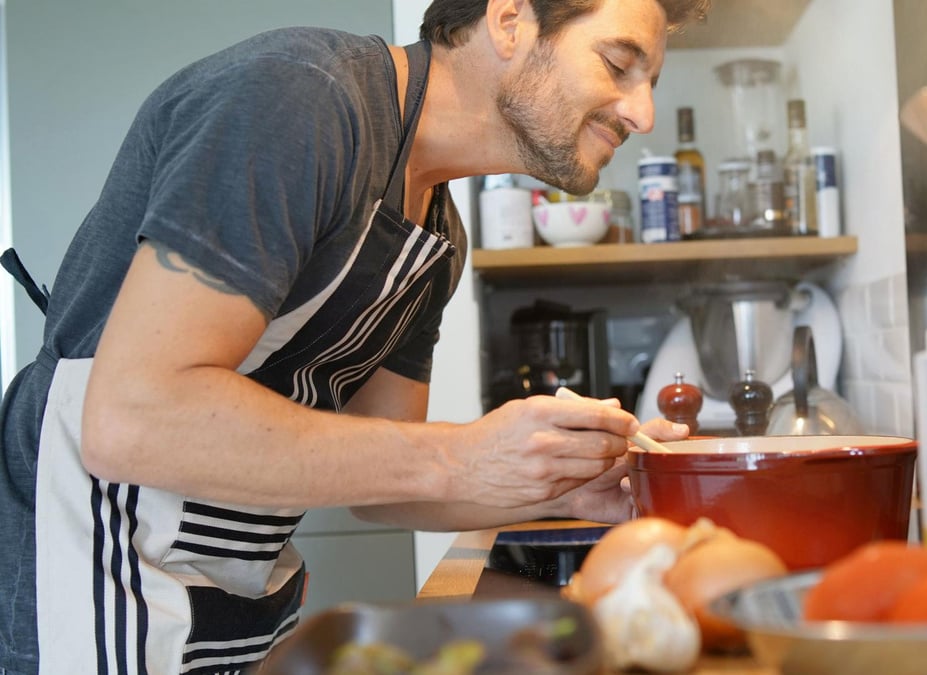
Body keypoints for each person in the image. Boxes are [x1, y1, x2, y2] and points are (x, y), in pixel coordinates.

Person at [0, 0, 709, 672]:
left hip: (234, 591)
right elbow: (133, 418)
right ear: (507, 20)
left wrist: (559, 484)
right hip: (94, 561)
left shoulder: (439, 236)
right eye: (619, 65)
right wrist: (462, 455)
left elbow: (388, 490)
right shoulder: (298, 100)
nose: (642, 113)